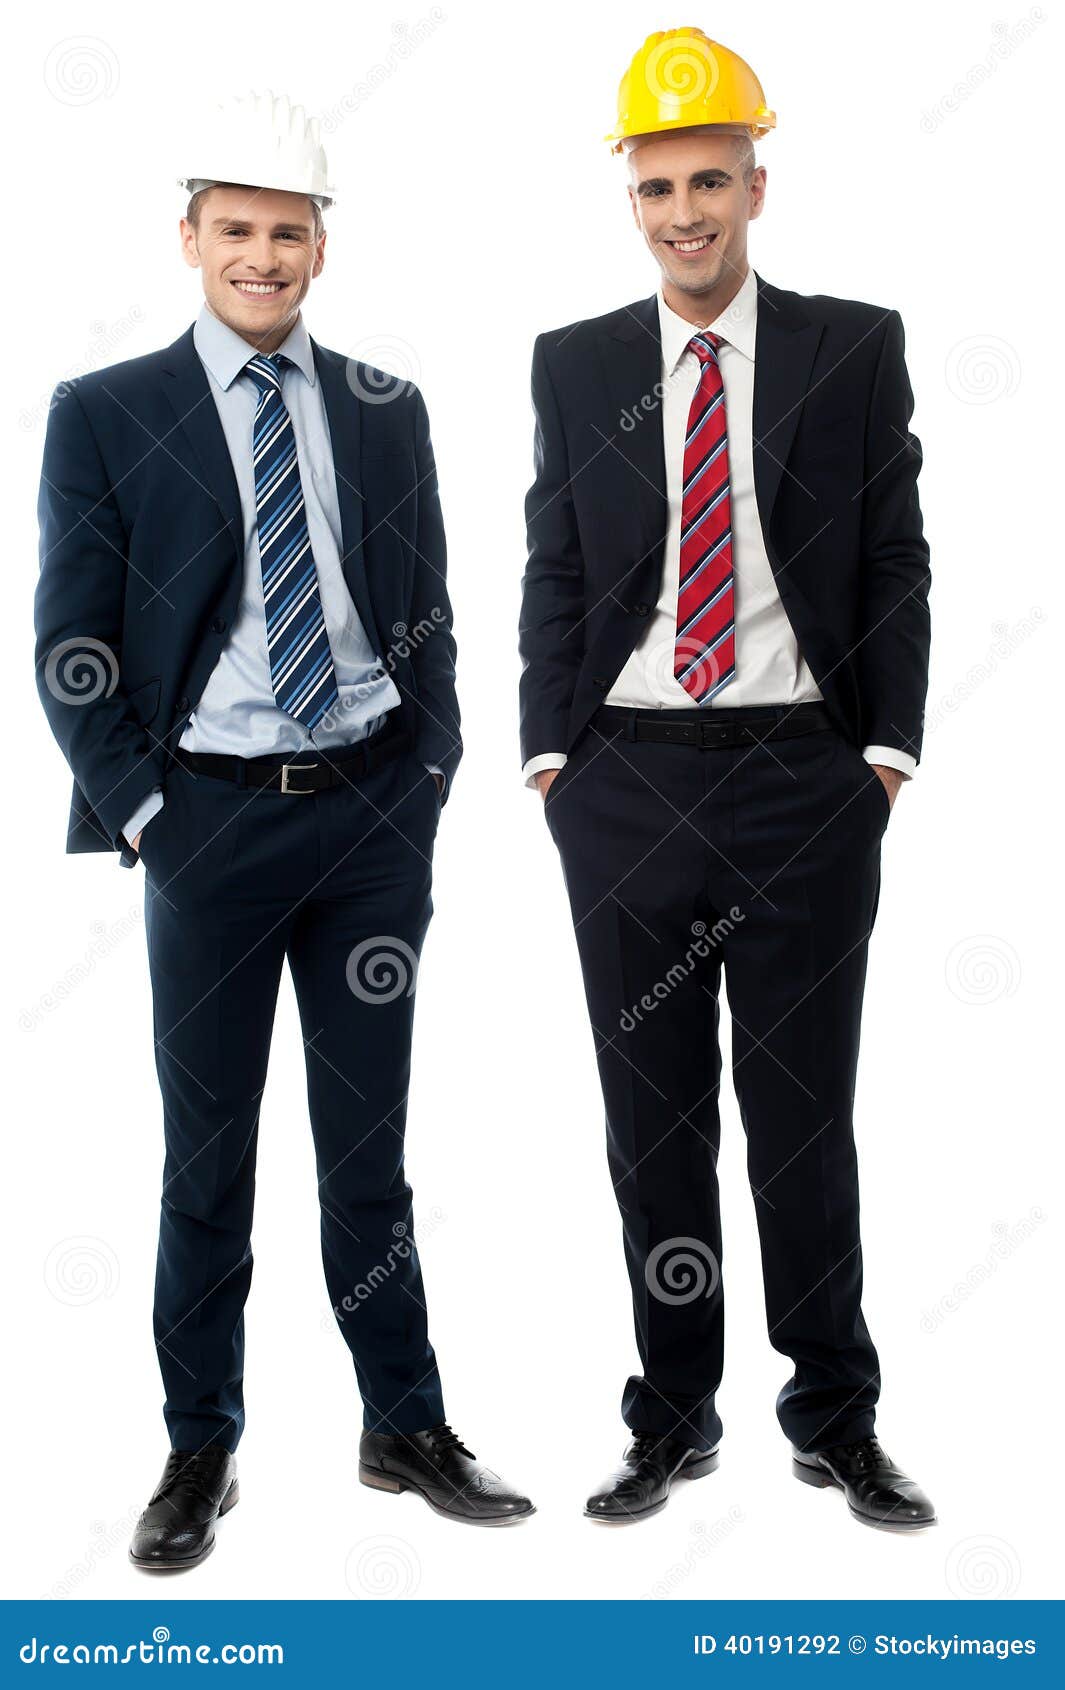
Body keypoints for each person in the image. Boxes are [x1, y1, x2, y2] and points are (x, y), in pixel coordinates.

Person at [36, 90, 532, 1570]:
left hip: (369, 817)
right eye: (237, 230)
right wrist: (145, 811)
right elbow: (70, 640)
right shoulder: (107, 410)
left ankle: (403, 1417)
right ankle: (200, 1444)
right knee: (210, 1155)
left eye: (288, 232)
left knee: (366, 1147)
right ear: (190, 237)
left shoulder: (385, 405)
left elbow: (428, 606)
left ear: (323, 244)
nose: (263, 256)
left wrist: (427, 770)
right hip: (210, 827)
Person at [518, 30, 935, 1530]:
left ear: (756, 179)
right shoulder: (574, 365)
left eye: (709, 179)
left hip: (798, 780)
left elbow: (891, 552)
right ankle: (670, 1412)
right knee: (651, 1118)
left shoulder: (847, 344)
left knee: (803, 1115)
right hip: (623, 781)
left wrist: (882, 751)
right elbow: (554, 563)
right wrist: (549, 752)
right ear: (627, 196)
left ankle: (834, 1409)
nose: (683, 212)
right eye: (656, 187)